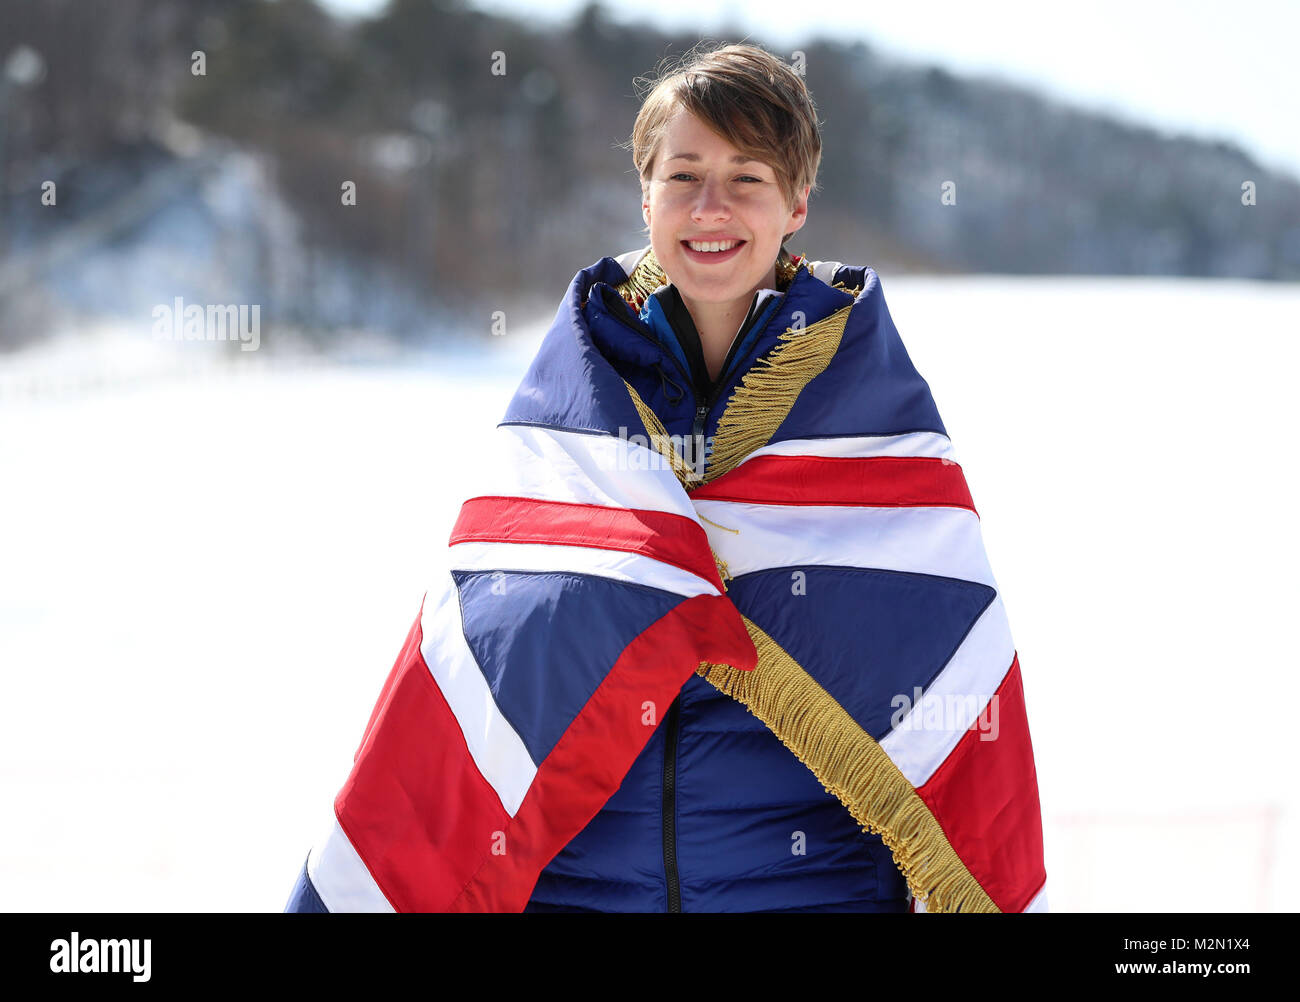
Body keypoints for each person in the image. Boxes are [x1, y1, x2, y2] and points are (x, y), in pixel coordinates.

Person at [286, 41, 1047, 914]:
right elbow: (460, 687)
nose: (710, 206)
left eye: (747, 177)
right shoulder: (570, 411)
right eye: (682, 175)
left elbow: (965, 716)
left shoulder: (872, 421)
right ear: (644, 194)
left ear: (797, 203)